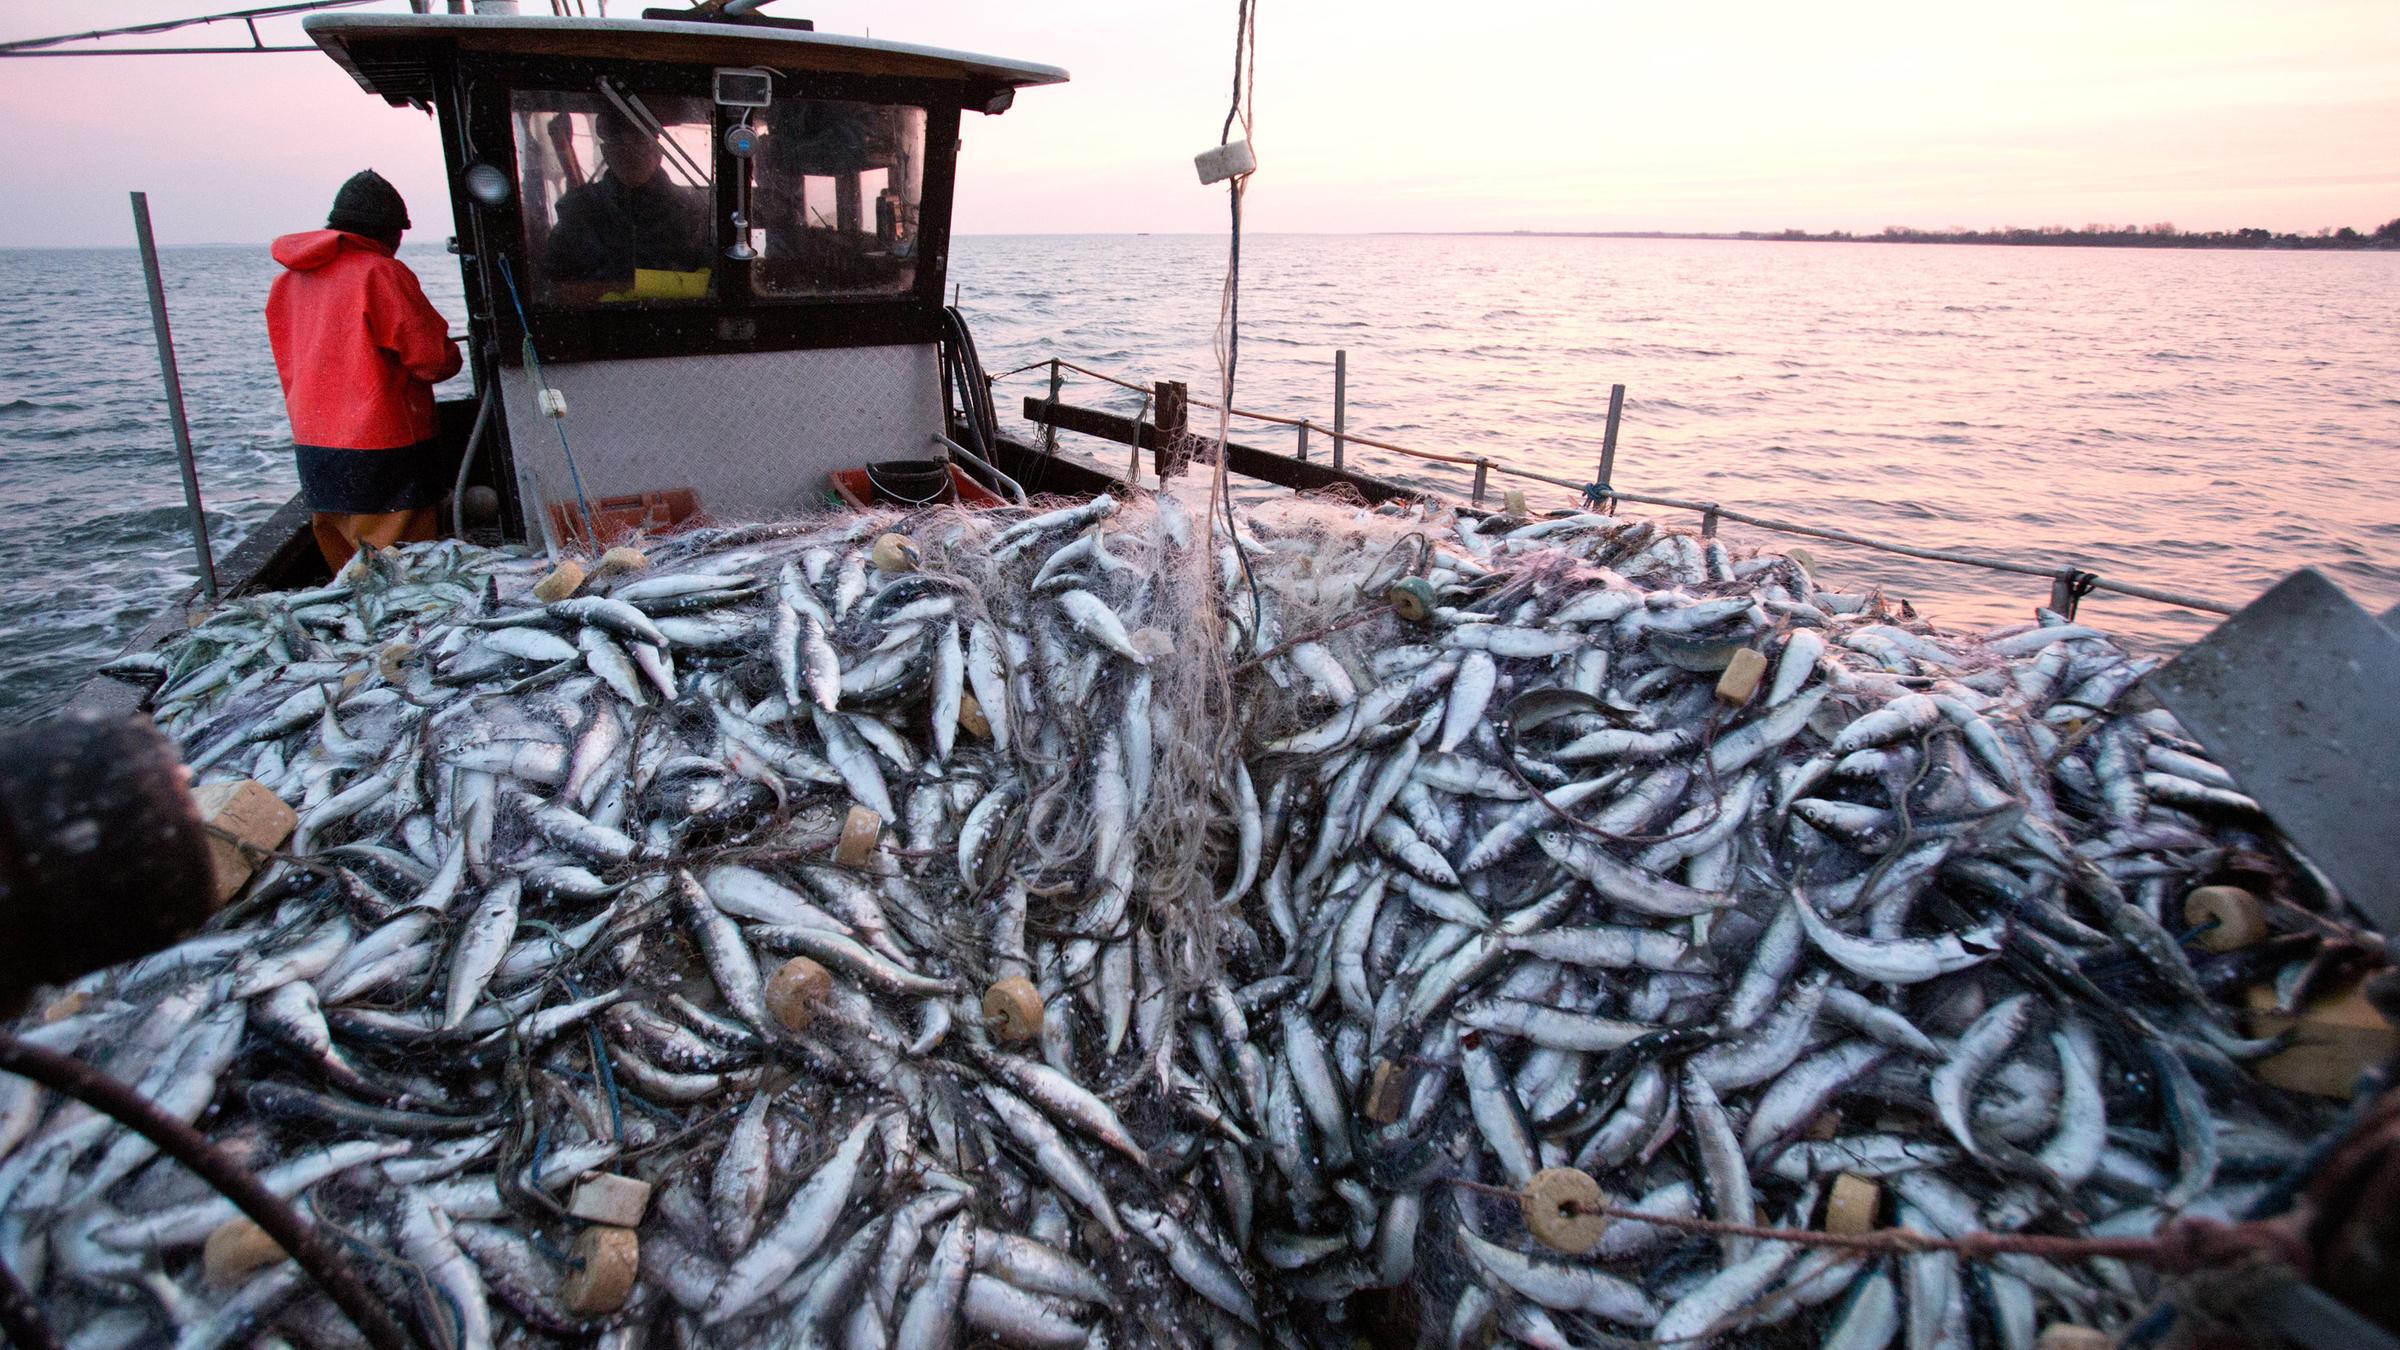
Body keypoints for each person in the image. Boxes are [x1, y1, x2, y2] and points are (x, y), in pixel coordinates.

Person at [265, 170, 462, 571]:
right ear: (391, 233)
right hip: (385, 455)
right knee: (408, 577)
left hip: (316, 453)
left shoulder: (287, 282)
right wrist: (452, 353)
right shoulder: (380, 272)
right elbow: (432, 361)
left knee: (351, 581)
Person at [544, 108, 712, 291]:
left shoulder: (695, 211)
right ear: (606, 153)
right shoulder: (578, 211)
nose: (631, 155)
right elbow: (555, 285)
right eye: (620, 145)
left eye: (640, 143)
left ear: (659, 153)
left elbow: (716, 281)